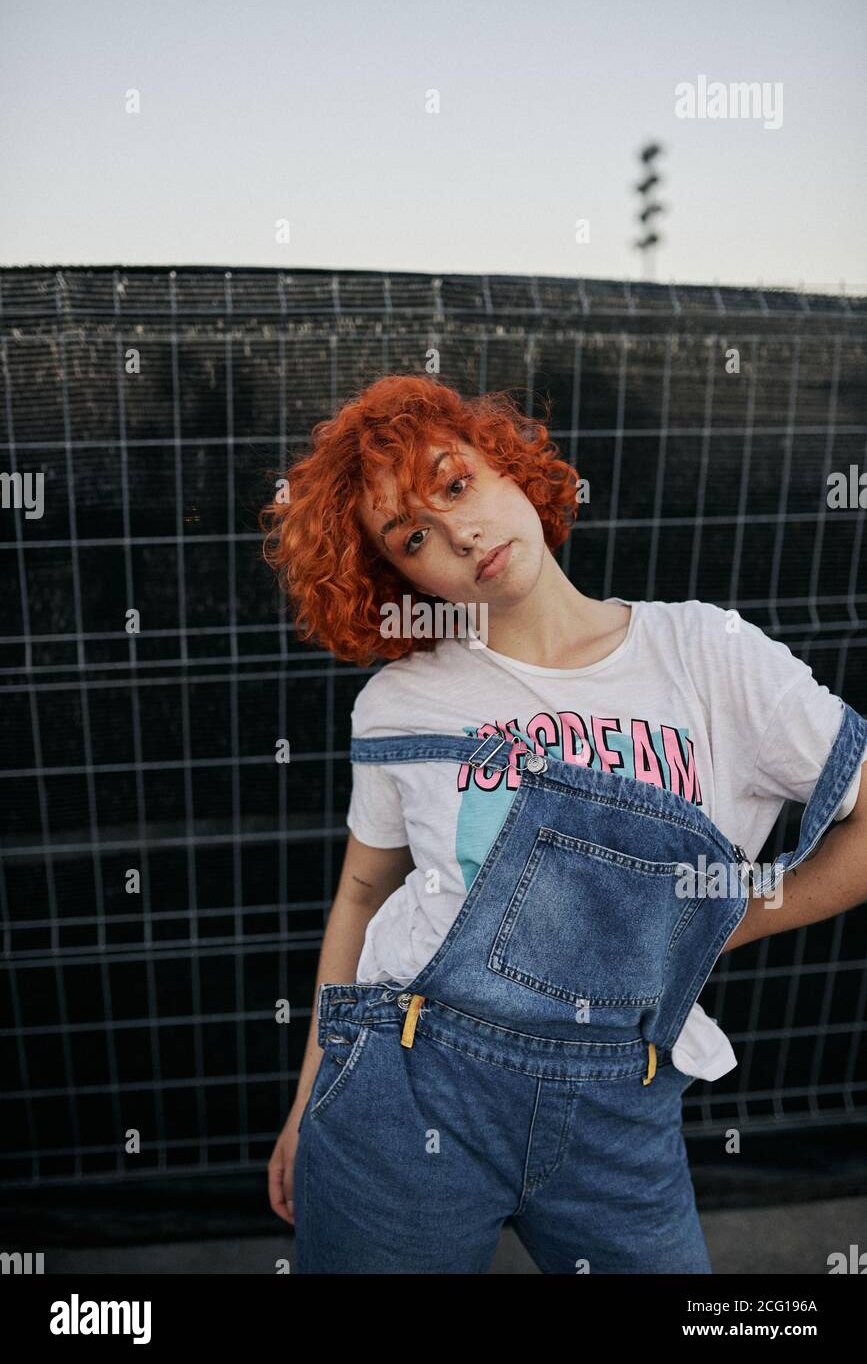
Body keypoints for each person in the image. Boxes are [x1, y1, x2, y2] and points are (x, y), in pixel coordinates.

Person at [259, 373, 867, 1274]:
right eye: (412, 536)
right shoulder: (397, 705)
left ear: (507, 467)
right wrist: (314, 1087)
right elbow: (360, 891)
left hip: (620, 1102)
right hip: (409, 1080)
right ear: (398, 575)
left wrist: (713, 921)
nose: (458, 534)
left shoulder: (705, 652)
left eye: (455, 483)